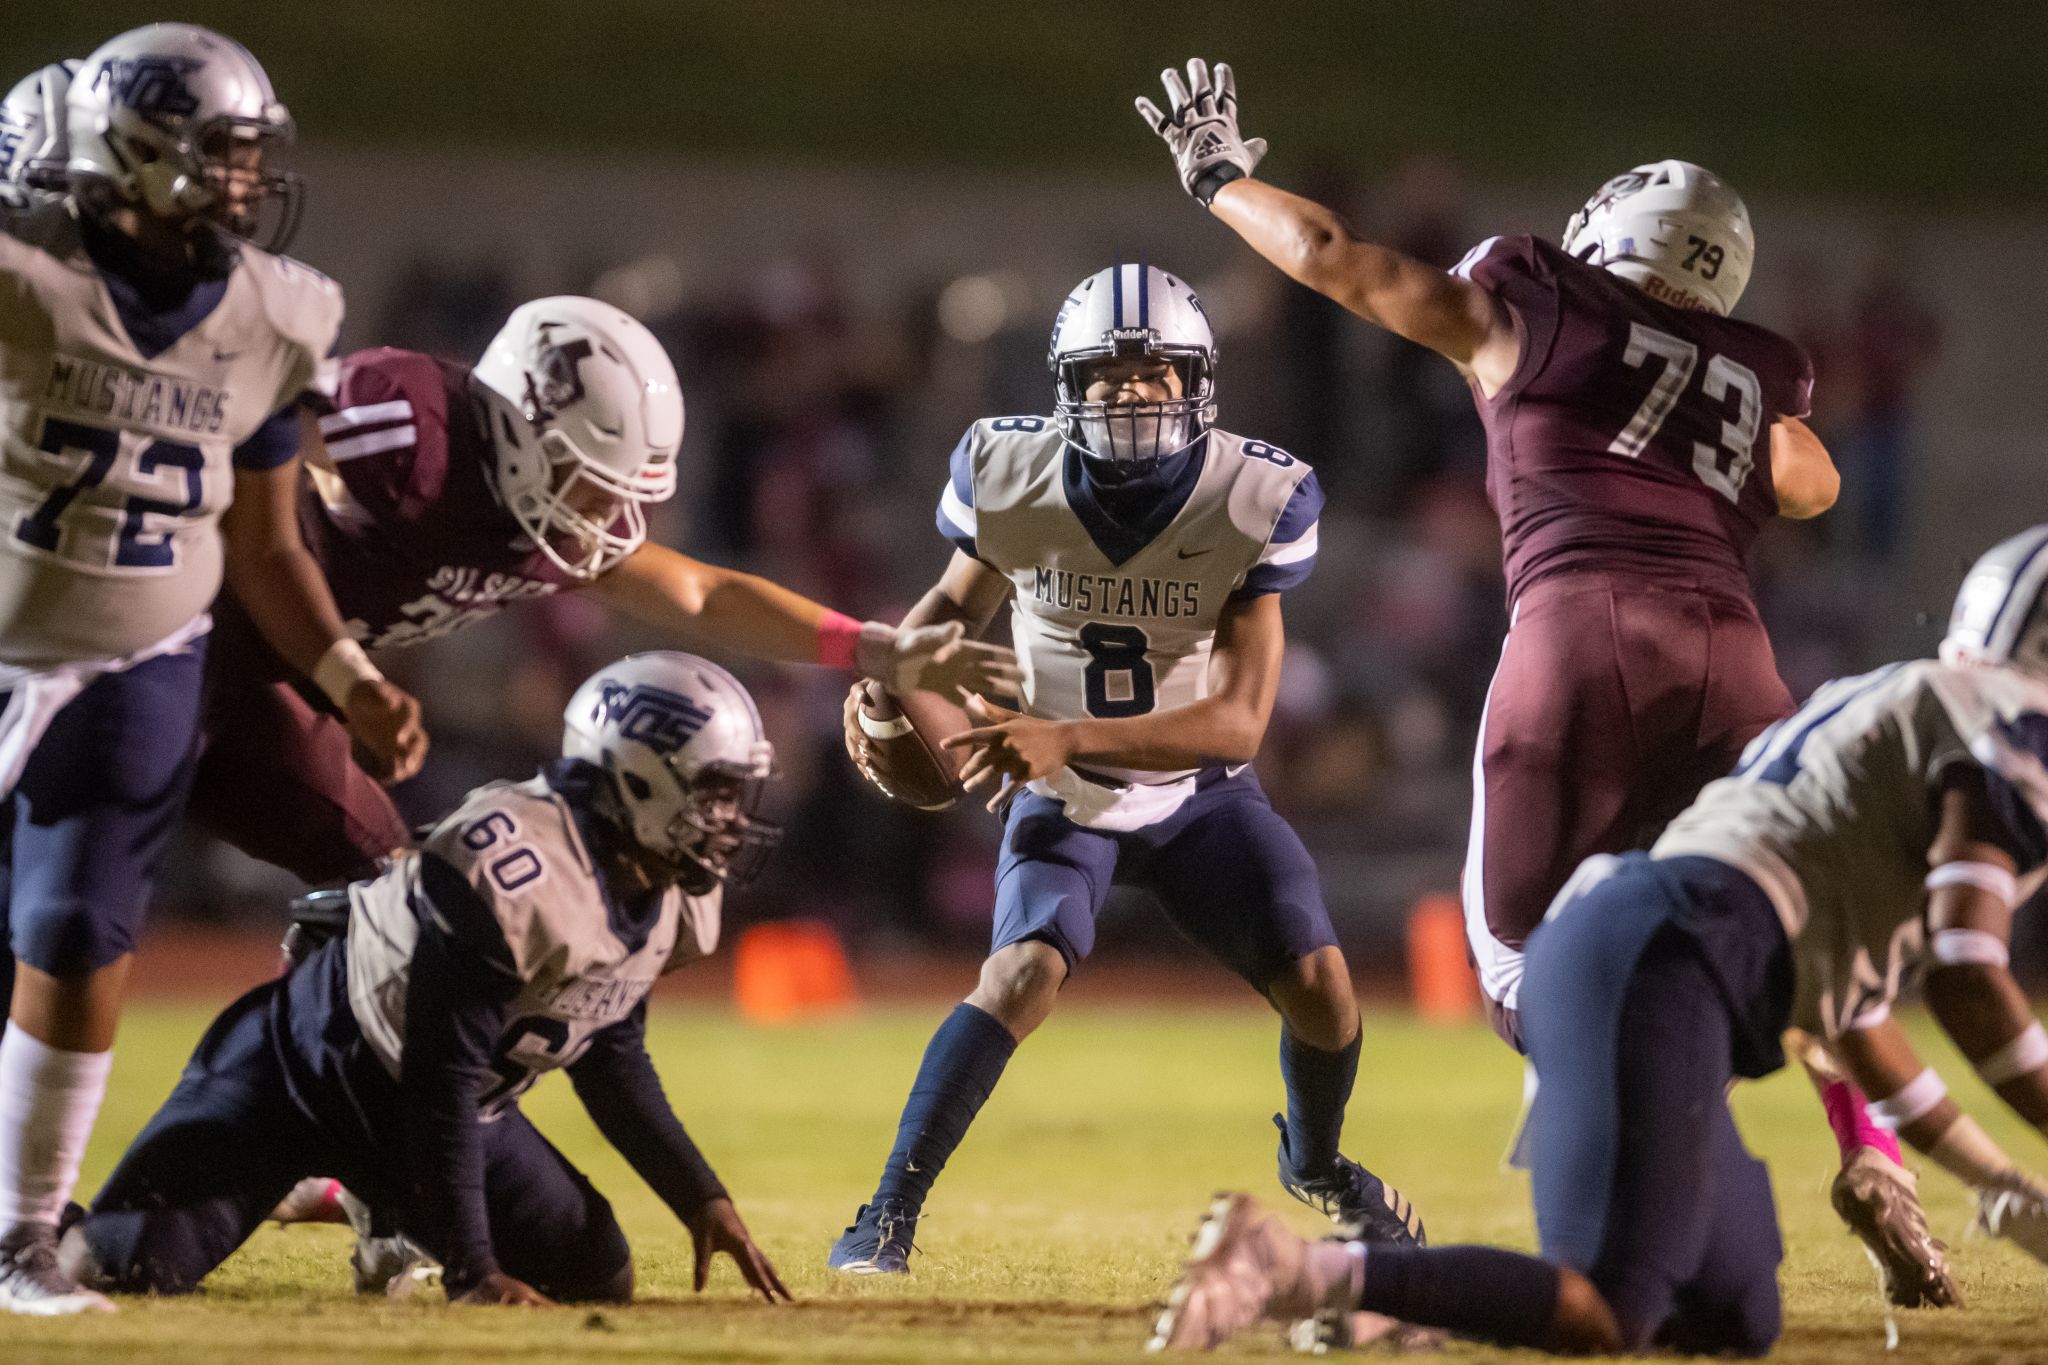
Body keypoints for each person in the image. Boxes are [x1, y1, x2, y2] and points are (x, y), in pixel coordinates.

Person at [1132, 59, 1950, 1305]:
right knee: (1800, 920)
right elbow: (1811, 480)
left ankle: (1581, 1194)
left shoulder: (1534, 297)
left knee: (1520, 963)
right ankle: (1870, 1151)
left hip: (1576, 634)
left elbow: (1337, 257)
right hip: (1735, 664)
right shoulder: (1751, 369)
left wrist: (1220, 180)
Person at [1150, 525, 2048, 1355]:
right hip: (1660, 962)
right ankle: (1305, 1270)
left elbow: (1855, 1012)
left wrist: (1997, 1177)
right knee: (1608, 1305)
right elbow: (1970, 969)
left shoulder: (1914, 698)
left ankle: (1410, 1292)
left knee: (1732, 1313)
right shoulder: (1999, 722)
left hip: (1639, 944)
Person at [827, 264, 1421, 1275]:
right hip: (1060, 796)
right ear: (1068, 385)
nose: (1134, 393)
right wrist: (889, 674)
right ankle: (883, 1214)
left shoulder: (1253, 494)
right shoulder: (1009, 474)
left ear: (1197, 380)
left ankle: (1316, 1166)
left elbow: (1235, 726)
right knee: (1018, 975)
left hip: (1195, 794)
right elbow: (943, 615)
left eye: (1157, 374)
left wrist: (1065, 737)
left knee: (1324, 988)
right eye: (1109, 375)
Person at [0, 24, 429, 1314]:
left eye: (251, 154)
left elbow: (262, 539)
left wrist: (347, 674)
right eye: (216, 152)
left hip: (140, 655)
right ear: (127, 150)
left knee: (78, 937)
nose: (243, 180)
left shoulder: (270, 312)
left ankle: (19, 1237)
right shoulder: (24, 279)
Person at [188, 293, 1019, 889]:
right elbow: (242, 423)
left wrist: (876, 648)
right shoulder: (414, 426)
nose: (602, 515)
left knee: (386, 895)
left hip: (262, 682)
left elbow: (699, 593)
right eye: (588, 484)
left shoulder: (545, 510)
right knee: (87, 877)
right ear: (517, 429)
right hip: (166, 638)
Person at [62, 651, 792, 1307]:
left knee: (592, 1273)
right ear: (637, 774)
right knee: (124, 1266)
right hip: (304, 1071)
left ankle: (369, 1195)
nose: (728, 816)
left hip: (444, 1106)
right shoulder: (518, 864)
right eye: (715, 790)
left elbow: (611, 1053)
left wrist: (702, 1197)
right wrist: (473, 1270)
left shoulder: (666, 887)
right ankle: (296, 1174)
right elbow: (438, 1076)